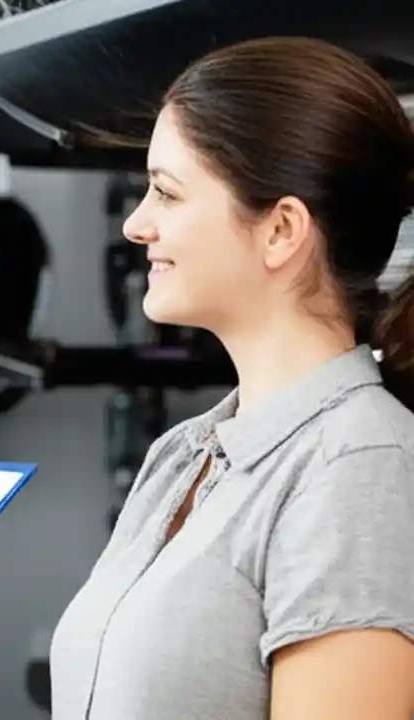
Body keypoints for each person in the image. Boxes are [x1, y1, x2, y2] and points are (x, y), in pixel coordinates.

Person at [48, 37, 414, 719]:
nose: (137, 223)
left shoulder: (359, 466)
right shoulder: (183, 453)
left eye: (166, 192)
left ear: (280, 230)